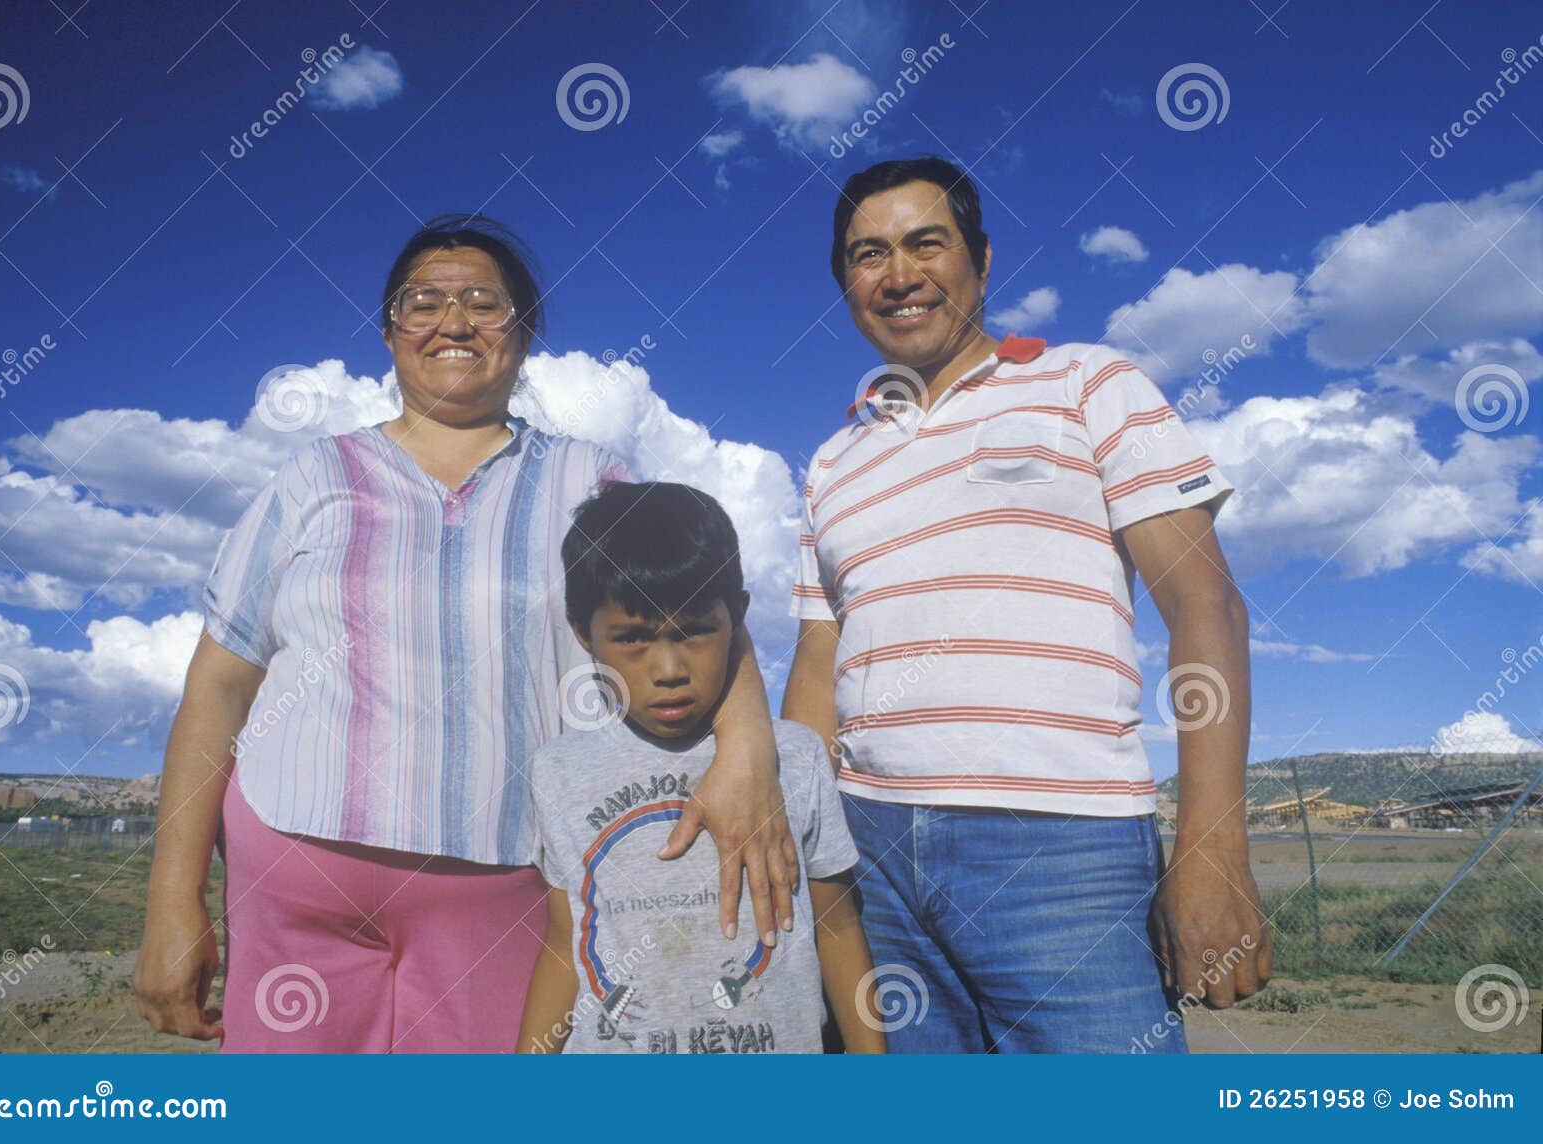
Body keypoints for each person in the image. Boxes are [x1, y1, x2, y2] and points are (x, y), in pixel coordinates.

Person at [134, 214, 799, 1053]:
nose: (453, 322)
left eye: (484, 303)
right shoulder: (314, 477)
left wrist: (749, 752)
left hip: (505, 882)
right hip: (291, 875)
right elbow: (218, 687)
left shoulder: (584, 478)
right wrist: (172, 901)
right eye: (424, 303)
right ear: (389, 331)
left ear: (522, 334)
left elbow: (698, 612)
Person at [782, 157, 1271, 1053]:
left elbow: (1207, 609)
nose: (898, 276)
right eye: (868, 254)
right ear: (845, 282)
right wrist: (800, 846)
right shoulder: (830, 464)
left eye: (926, 243)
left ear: (982, 259)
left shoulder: (1090, 385)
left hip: (1062, 847)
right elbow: (820, 665)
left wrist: (1211, 848)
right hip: (870, 853)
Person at [517, 481, 883, 1054]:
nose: (668, 668)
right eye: (633, 638)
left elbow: (837, 927)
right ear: (583, 632)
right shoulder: (556, 774)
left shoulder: (799, 759)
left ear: (737, 616)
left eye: (693, 631)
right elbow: (566, 943)